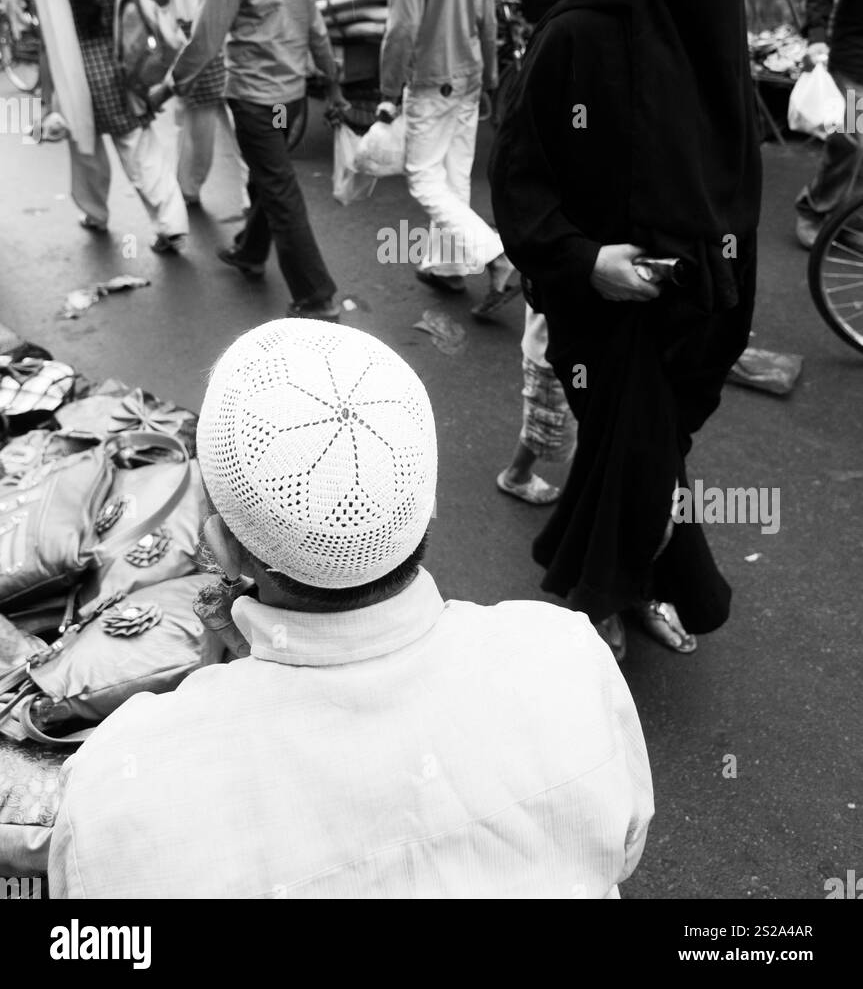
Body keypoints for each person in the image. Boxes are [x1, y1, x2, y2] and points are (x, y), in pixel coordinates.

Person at [49, 320, 653, 900]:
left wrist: (222, 679)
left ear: (225, 548)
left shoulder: (117, 786)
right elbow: (620, 855)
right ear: (427, 499)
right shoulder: (566, 656)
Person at [489, 0, 765, 663]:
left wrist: (728, 292)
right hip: (602, 314)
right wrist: (584, 262)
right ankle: (607, 600)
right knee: (640, 457)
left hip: (703, 311)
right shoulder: (578, 32)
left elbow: (733, 179)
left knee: (643, 455)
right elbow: (520, 175)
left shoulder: (721, 32)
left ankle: (614, 585)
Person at [148, 0, 345, 320]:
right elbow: (316, 27)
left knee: (278, 188)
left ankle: (317, 297)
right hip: (290, 100)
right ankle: (251, 252)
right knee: (267, 175)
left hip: (258, 101)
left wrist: (167, 87)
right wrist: (333, 85)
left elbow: (205, 40)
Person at [379, 0, 517, 318]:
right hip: (470, 70)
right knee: (454, 176)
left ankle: (498, 256)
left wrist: (388, 89)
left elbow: (403, 22)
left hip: (431, 74)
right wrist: (492, 77)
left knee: (423, 178)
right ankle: (448, 267)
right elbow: (487, 13)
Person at [30, 0, 187, 252]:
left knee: (86, 155)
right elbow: (133, 8)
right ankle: (171, 223)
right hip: (119, 74)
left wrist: (46, 100)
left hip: (75, 84)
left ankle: (95, 214)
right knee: (141, 151)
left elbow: (45, 46)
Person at [151, 0, 245, 208]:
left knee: (195, 124)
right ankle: (253, 192)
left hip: (194, 40)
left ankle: (188, 189)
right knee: (238, 125)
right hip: (228, 37)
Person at [794, 0, 863, 250]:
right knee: (851, 139)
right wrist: (817, 36)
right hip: (857, 61)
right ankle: (814, 209)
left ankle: (849, 218)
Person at [497, 307, 577, 506]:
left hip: (579, 362)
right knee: (545, 423)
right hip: (554, 361)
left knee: (579, 395)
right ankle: (516, 475)